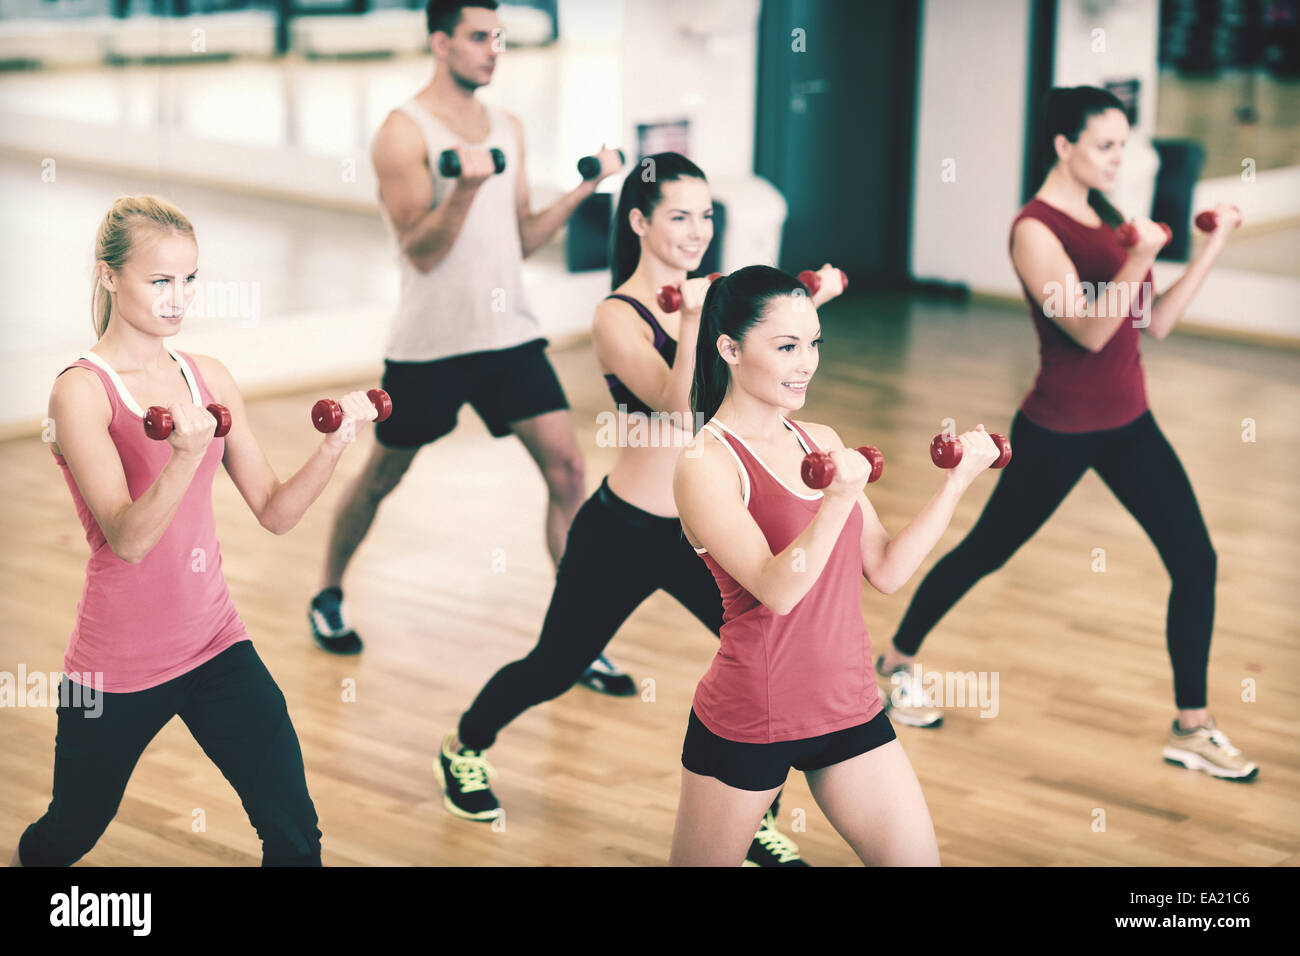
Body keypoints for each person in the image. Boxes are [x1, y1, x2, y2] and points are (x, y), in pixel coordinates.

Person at [435, 154, 846, 865]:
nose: (696, 231)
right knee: (557, 662)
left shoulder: (713, 297)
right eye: (679, 216)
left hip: (710, 526)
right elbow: (682, 408)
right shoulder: (616, 315)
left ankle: (755, 818)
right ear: (638, 222)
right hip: (626, 528)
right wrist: (691, 319)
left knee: (764, 661)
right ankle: (464, 745)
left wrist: (808, 302)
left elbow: (758, 356)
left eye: (707, 216)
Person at [876, 86, 1257, 782]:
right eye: (1105, 144)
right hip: (1059, 427)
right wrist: (1139, 256)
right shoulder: (1035, 229)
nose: (1119, 157)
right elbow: (1086, 330)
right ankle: (895, 663)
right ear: (1063, 145)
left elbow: (1156, 324)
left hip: (1129, 422)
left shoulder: (1110, 215)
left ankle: (1192, 729)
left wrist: (1210, 247)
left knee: (1195, 560)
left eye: (1123, 143)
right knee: (987, 549)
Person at [11, 196, 378, 867]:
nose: (178, 299)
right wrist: (183, 457)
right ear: (109, 277)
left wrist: (334, 446)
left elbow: (274, 510)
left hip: (215, 643)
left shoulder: (207, 377)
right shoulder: (82, 393)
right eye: (160, 281)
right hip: (116, 669)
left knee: (295, 836)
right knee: (69, 833)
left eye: (189, 280)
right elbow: (127, 537)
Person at [308, 0, 627, 696]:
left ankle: (577, 640)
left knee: (569, 470)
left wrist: (585, 186)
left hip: (508, 336)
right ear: (440, 41)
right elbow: (420, 251)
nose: (493, 51)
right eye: (479, 38)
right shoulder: (402, 133)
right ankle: (328, 592)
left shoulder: (507, 127)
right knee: (384, 477)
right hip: (430, 348)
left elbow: (524, 236)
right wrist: (464, 189)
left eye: (499, 39)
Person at [670, 264, 1001, 866]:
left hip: (848, 704)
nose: (807, 362)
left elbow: (886, 569)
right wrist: (839, 500)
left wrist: (957, 483)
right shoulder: (705, 464)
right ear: (730, 349)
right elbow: (779, 590)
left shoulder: (817, 437)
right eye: (787, 346)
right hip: (753, 714)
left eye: (814, 343)